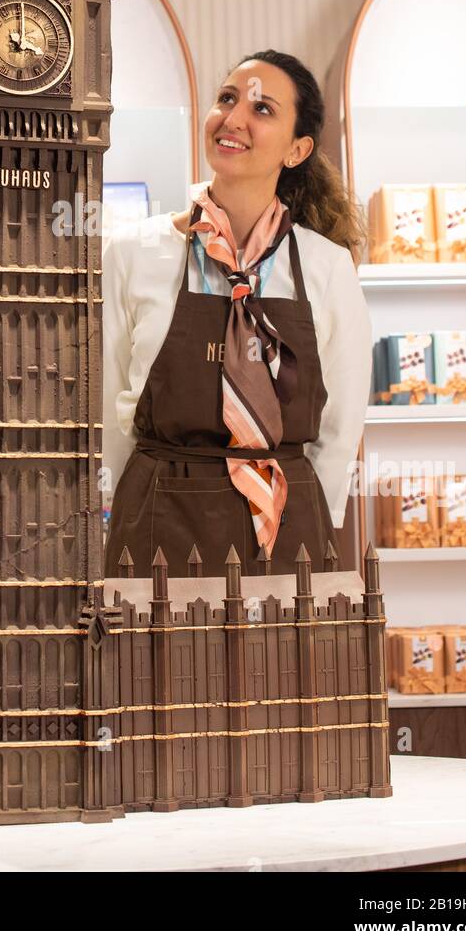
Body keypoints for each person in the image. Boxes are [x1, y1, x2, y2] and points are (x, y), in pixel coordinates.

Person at [101, 49, 372, 578]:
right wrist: (122, 511)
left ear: (297, 149)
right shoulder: (132, 253)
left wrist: (310, 520)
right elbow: (108, 407)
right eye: (227, 99)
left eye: (262, 109)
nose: (233, 118)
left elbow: (339, 428)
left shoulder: (327, 266)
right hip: (156, 524)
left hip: (288, 527)